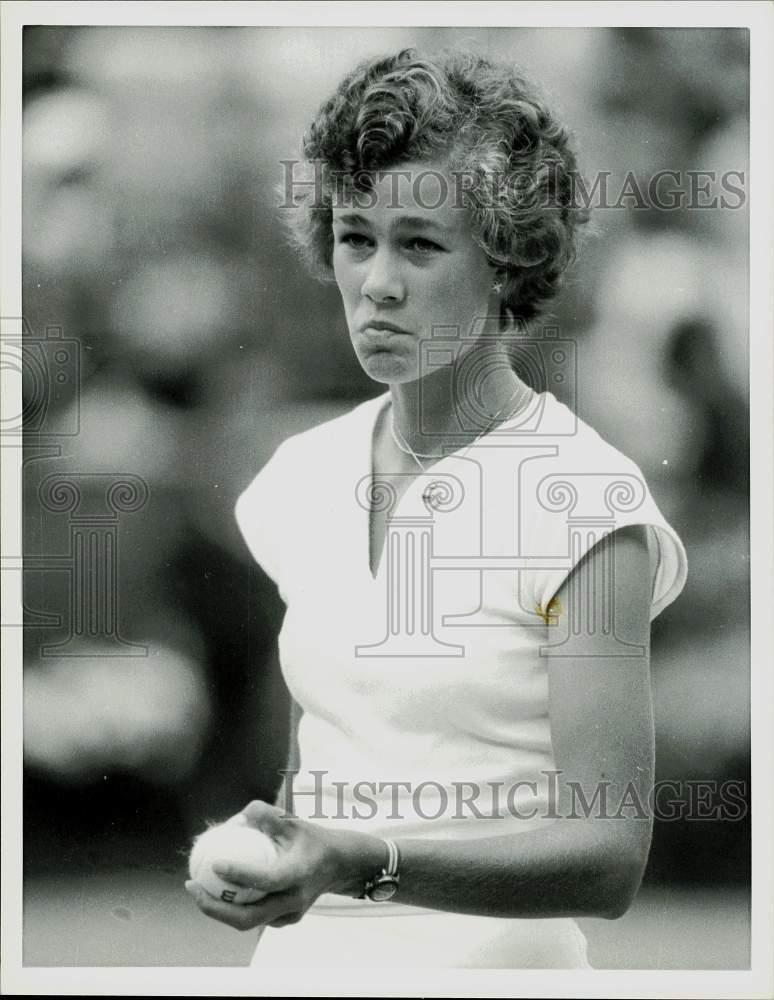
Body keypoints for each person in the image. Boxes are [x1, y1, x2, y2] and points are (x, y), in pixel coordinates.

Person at [185, 48, 688, 969]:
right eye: (355, 236)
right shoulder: (303, 474)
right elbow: (325, 779)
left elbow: (610, 857)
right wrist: (280, 863)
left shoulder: (585, 501)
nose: (377, 282)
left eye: (421, 243)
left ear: (508, 261)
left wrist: (368, 864)